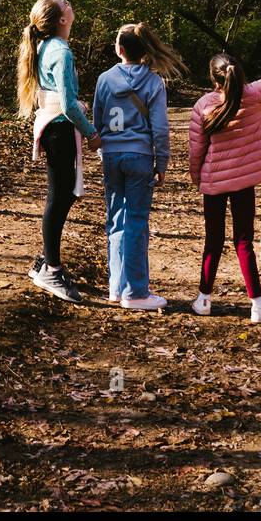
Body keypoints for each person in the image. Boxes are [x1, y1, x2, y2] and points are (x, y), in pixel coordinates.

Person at [188, 24, 261, 323]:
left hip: (214, 184)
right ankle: (258, 304)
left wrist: (198, 179)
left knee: (213, 240)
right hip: (244, 183)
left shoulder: (203, 107)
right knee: (243, 241)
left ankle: (203, 299)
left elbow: (197, 151)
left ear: (213, 78)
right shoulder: (256, 94)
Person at [93, 22, 186, 311]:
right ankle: (135, 292)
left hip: (111, 155)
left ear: (119, 50)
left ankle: (116, 286)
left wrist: (104, 150)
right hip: (140, 157)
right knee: (135, 222)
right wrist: (163, 162)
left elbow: (98, 121)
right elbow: (160, 128)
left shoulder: (104, 79)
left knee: (115, 221)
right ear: (144, 50)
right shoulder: (153, 82)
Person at [16, 0, 97, 303]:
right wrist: (91, 133)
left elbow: (60, 94)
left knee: (62, 194)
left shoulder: (48, 46)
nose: (70, 3)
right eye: (64, 3)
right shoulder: (60, 51)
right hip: (60, 129)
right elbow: (66, 104)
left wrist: (78, 105)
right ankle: (51, 268)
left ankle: (46, 259)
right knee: (59, 195)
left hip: (56, 127)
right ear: (62, 19)